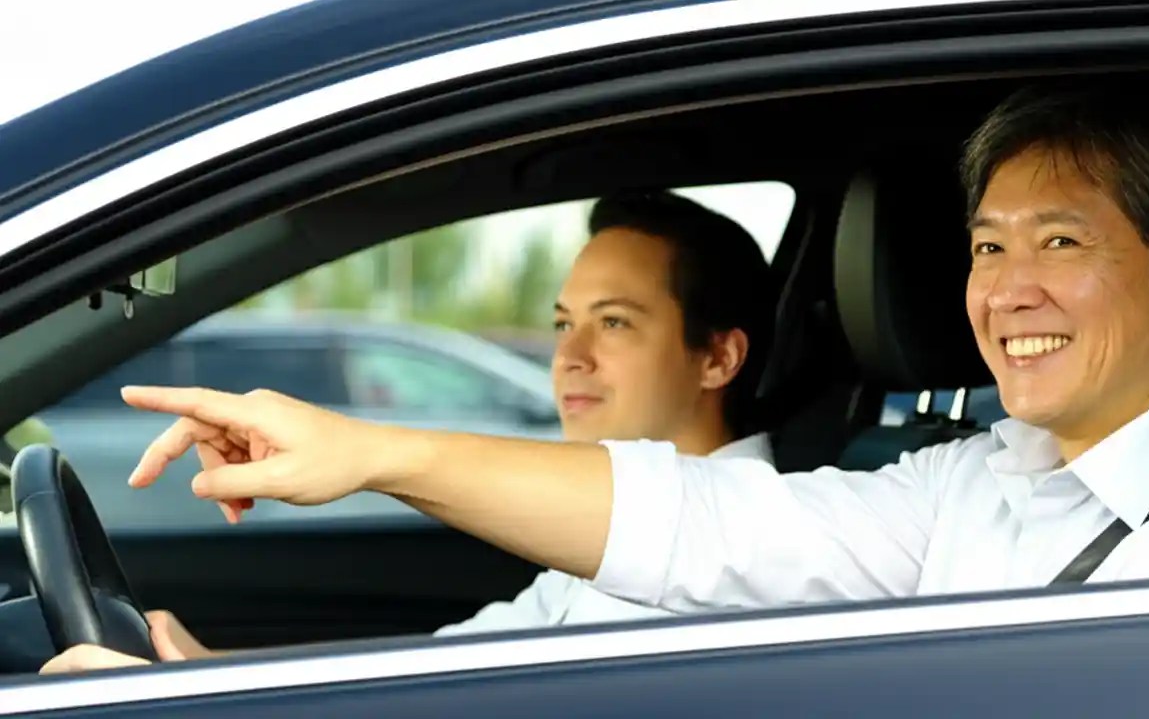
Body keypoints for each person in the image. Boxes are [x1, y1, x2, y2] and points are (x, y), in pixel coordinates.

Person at [42, 76, 1149, 672]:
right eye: (987, 248)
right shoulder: (972, 486)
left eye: (1060, 244)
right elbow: (700, 524)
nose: (1004, 292)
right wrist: (372, 453)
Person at [42, 190, 779, 671]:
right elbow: (446, 672)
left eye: (613, 322)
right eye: (562, 323)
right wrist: (203, 672)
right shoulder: (605, 532)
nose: (567, 358)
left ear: (718, 356)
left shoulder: (744, 570)